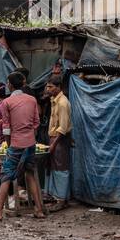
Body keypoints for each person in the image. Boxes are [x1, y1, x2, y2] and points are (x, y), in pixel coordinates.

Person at [0, 71, 45, 222]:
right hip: (30, 142)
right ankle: (39, 210)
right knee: (30, 174)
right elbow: (36, 123)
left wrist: (8, 143)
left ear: (10, 85)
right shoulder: (32, 100)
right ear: (24, 83)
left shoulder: (6, 103)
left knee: (6, 176)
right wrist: (30, 136)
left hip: (15, 142)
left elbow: (6, 127)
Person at [45, 78, 73, 210]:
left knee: (61, 169)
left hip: (60, 139)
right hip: (54, 138)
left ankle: (61, 200)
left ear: (58, 87)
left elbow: (63, 127)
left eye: (50, 87)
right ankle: (59, 198)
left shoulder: (62, 103)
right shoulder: (54, 101)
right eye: (47, 87)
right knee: (55, 168)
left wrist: (53, 144)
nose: (48, 89)